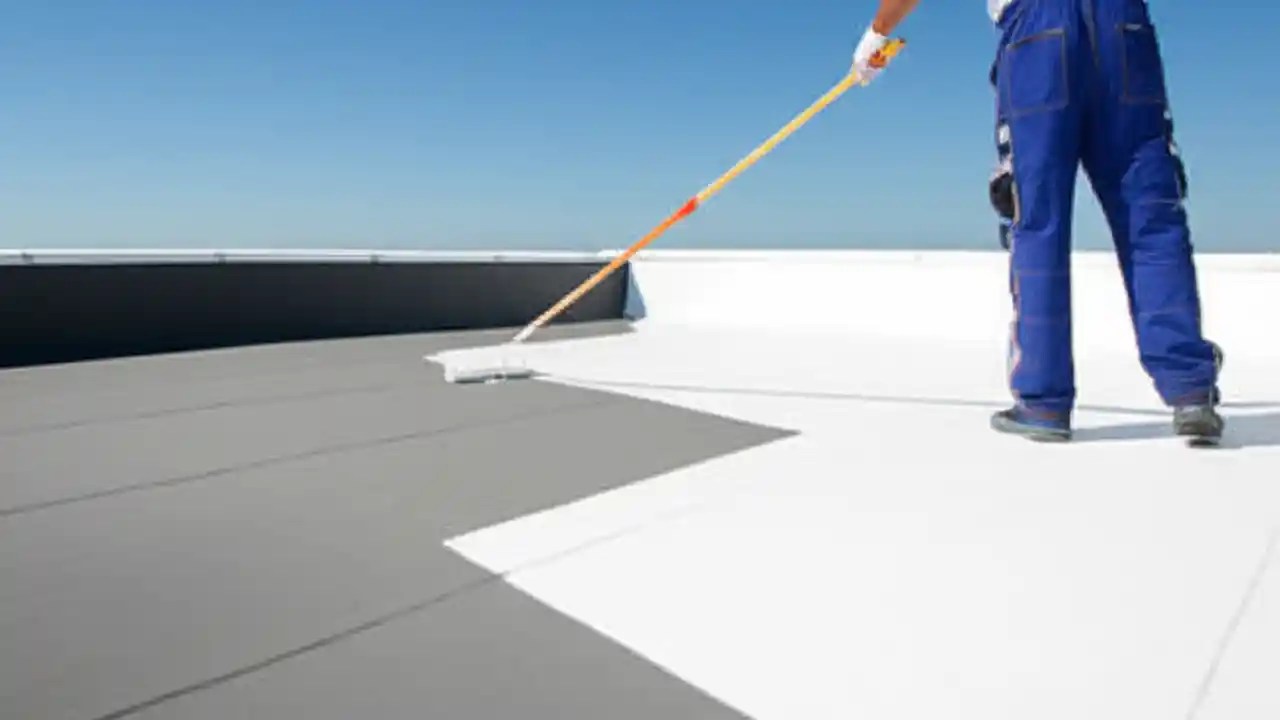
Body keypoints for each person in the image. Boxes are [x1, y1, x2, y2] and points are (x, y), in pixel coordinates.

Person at [851, 0, 1226, 444]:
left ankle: (1043, 401)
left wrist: (876, 35)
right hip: (1122, 28)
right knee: (1150, 213)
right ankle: (1190, 390)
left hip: (1039, 33)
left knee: (1036, 214)